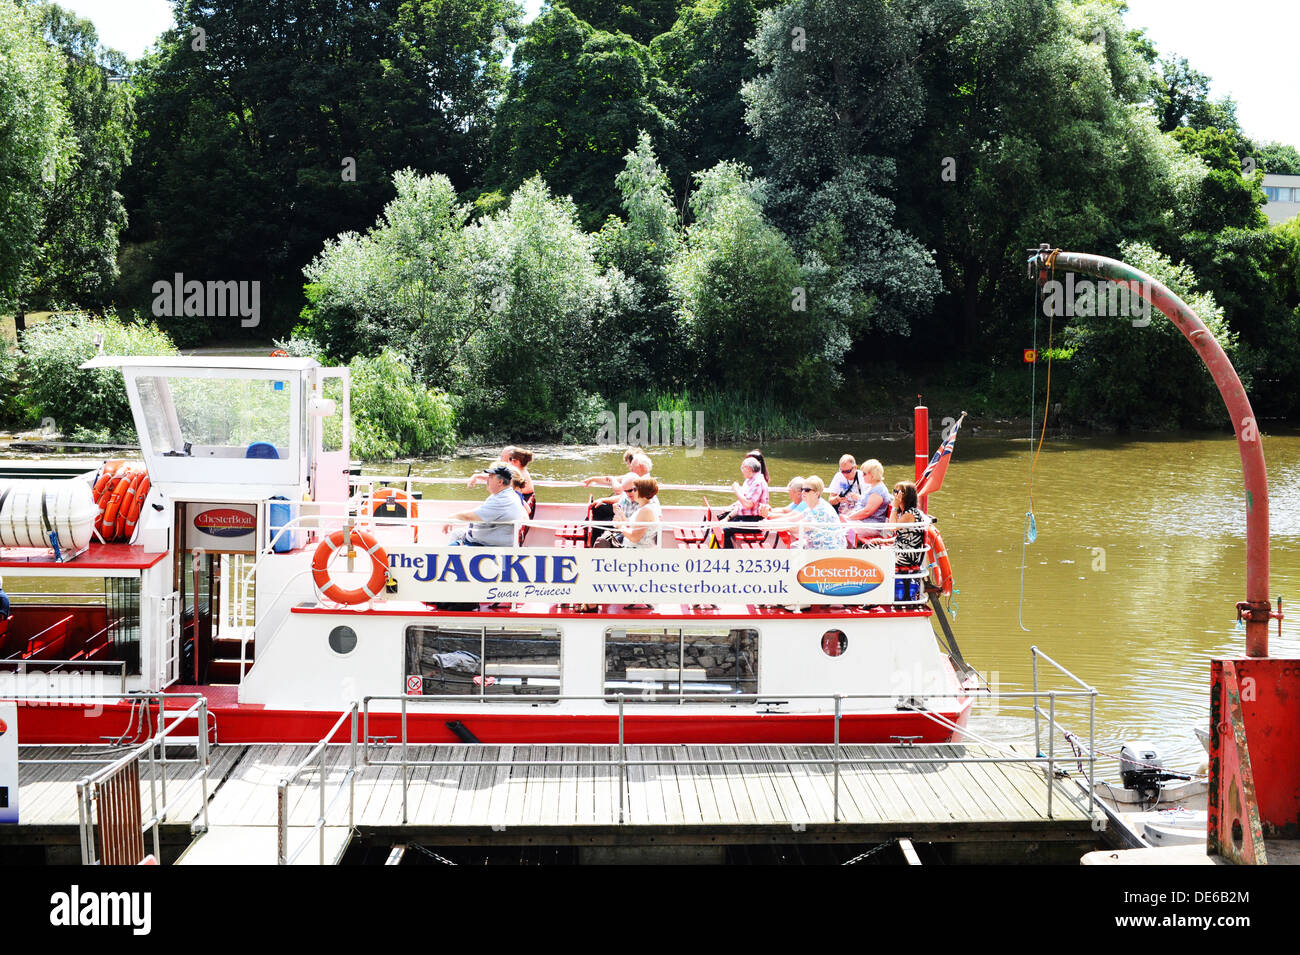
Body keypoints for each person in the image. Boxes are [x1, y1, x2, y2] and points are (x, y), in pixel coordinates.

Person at [443, 463, 527, 546]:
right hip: (478, 540)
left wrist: (452, 517)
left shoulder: (502, 500)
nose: (487, 480)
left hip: (482, 545)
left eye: (490, 477)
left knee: (444, 554)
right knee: (456, 533)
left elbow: (469, 517)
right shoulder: (507, 493)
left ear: (500, 482)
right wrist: (477, 476)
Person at [763, 476, 843, 549]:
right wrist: (766, 523)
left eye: (807, 490)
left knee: (796, 547)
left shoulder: (820, 511)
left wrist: (769, 526)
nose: (803, 492)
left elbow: (796, 527)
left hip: (827, 550)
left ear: (817, 493)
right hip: (816, 545)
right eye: (802, 489)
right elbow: (791, 519)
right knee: (795, 546)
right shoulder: (812, 506)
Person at [719, 455, 768, 548]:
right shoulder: (749, 481)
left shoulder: (757, 483)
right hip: (744, 517)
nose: (741, 471)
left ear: (748, 468)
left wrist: (736, 490)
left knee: (724, 530)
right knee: (719, 520)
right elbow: (741, 504)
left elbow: (748, 504)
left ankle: (728, 557)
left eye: (742, 468)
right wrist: (727, 517)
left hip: (753, 522)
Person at [844, 459, 891, 543]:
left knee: (840, 528)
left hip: (870, 525)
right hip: (862, 522)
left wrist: (849, 517)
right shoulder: (872, 486)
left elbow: (867, 512)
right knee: (839, 522)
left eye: (864, 474)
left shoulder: (878, 490)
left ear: (873, 475)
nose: (862, 476)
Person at [609, 477, 662, 549]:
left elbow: (634, 538)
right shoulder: (646, 507)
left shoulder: (646, 511)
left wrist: (620, 526)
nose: (632, 492)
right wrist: (621, 515)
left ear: (641, 491)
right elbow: (632, 527)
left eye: (634, 489)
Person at [468, 446, 534, 496]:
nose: (507, 461)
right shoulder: (521, 470)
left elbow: (497, 478)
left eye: (509, 459)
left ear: (516, 461)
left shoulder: (516, 472)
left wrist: (477, 476)